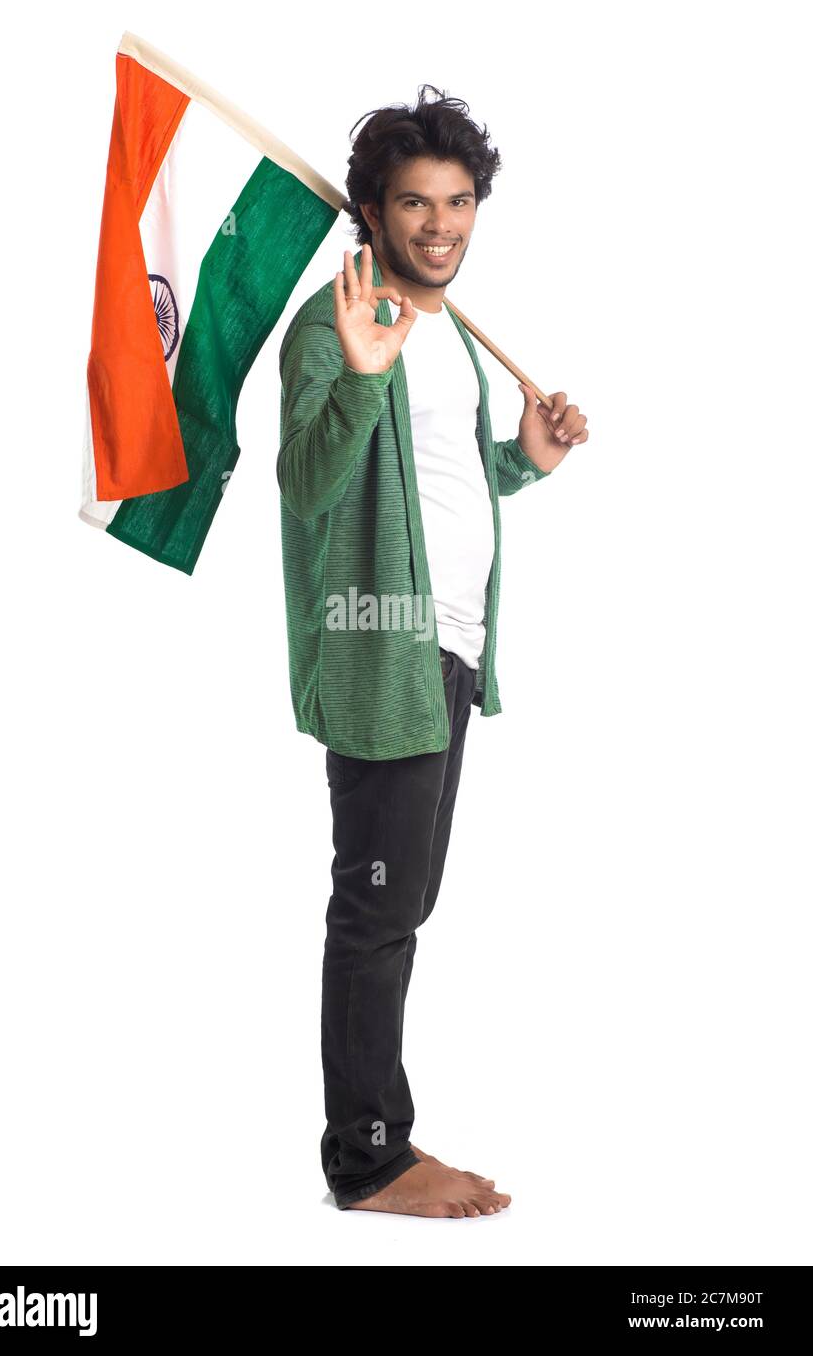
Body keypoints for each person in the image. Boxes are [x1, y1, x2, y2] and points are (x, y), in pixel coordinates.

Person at [277, 85, 589, 1218]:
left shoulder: (451, 327)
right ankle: (369, 1156)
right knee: (373, 911)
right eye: (415, 202)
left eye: (458, 200)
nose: (441, 223)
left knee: (403, 904)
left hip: (448, 651)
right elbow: (312, 487)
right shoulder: (335, 323)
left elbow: (433, 491)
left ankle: (378, 1139)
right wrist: (361, 371)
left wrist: (525, 459)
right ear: (372, 210)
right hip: (378, 653)